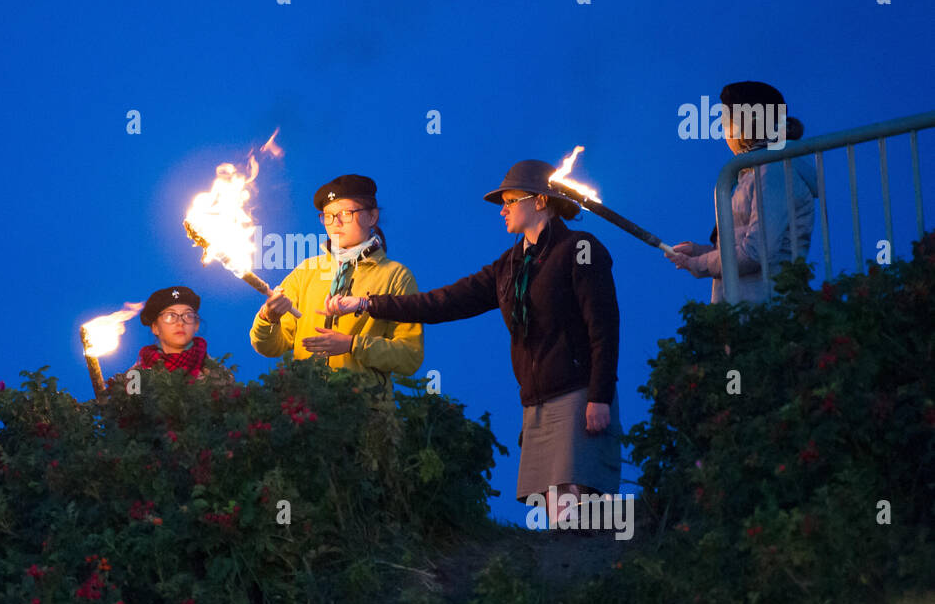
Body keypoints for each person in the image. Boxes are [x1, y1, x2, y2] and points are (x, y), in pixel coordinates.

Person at [322, 161, 622, 529]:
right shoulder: (510, 264)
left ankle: (620, 556)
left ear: (541, 201)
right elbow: (443, 302)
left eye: (512, 200)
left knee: (575, 505)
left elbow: (604, 328)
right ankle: (577, 572)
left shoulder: (580, 248)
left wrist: (600, 396)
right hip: (536, 401)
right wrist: (368, 303)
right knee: (557, 510)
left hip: (576, 394)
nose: (503, 208)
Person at [251, 174, 423, 389]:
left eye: (346, 213)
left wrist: (352, 345)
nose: (336, 223)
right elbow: (269, 348)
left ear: (372, 217)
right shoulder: (307, 271)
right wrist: (269, 318)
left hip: (365, 410)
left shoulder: (396, 276)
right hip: (304, 408)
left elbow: (410, 356)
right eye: (328, 216)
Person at [670, 81, 817, 303]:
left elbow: (756, 252)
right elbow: (744, 245)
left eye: (727, 121)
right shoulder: (753, 174)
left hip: (768, 314)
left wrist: (698, 265)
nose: (723, 129)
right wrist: (699, 252)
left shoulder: (774, 172)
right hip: (747, 314)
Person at [132, 286, 232, 381]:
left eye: (188, 315)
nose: (180, 323)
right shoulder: (135, 377)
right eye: (171, 316)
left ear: (196, 325)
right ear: (155, 327)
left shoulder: (219, 375)